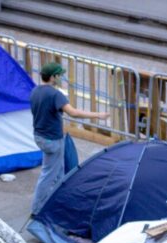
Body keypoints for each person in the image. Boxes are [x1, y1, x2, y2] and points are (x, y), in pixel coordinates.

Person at [29, 62, 109, 216]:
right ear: (53, 77)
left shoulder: (35, 91)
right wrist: (98, 115)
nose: (61, 78)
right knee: (49, 174)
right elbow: (73, 113)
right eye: (59, 75)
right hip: (52, 140)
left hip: (40, 137)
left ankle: (58, 201)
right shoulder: (55, 95)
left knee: (58, 172)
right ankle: (37, 209)